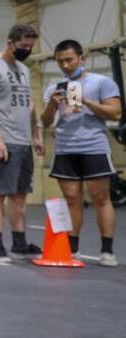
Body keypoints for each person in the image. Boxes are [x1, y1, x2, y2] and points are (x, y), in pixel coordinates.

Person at [40, 39, 121, 266]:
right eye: (60, 62)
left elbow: (115, 113)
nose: (65, 66)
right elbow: (46, 123)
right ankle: (72, 249)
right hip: (66, 148)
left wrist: (86, 100)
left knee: (101, 199)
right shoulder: (53, 87)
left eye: (69, 60)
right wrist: (52, 105)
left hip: (94, 147)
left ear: (81, 58)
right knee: (72, 201)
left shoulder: (101, 82)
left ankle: (107, 251)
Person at [0, 23, 43, 260]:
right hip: (2, 139)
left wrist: (35, 134)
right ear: (10, 43)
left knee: (20, 194)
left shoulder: (23, 70)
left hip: (22, 141)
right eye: (23, 46)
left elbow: (29, 104)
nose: (27, 50)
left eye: (30, 46)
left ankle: (19, 243)